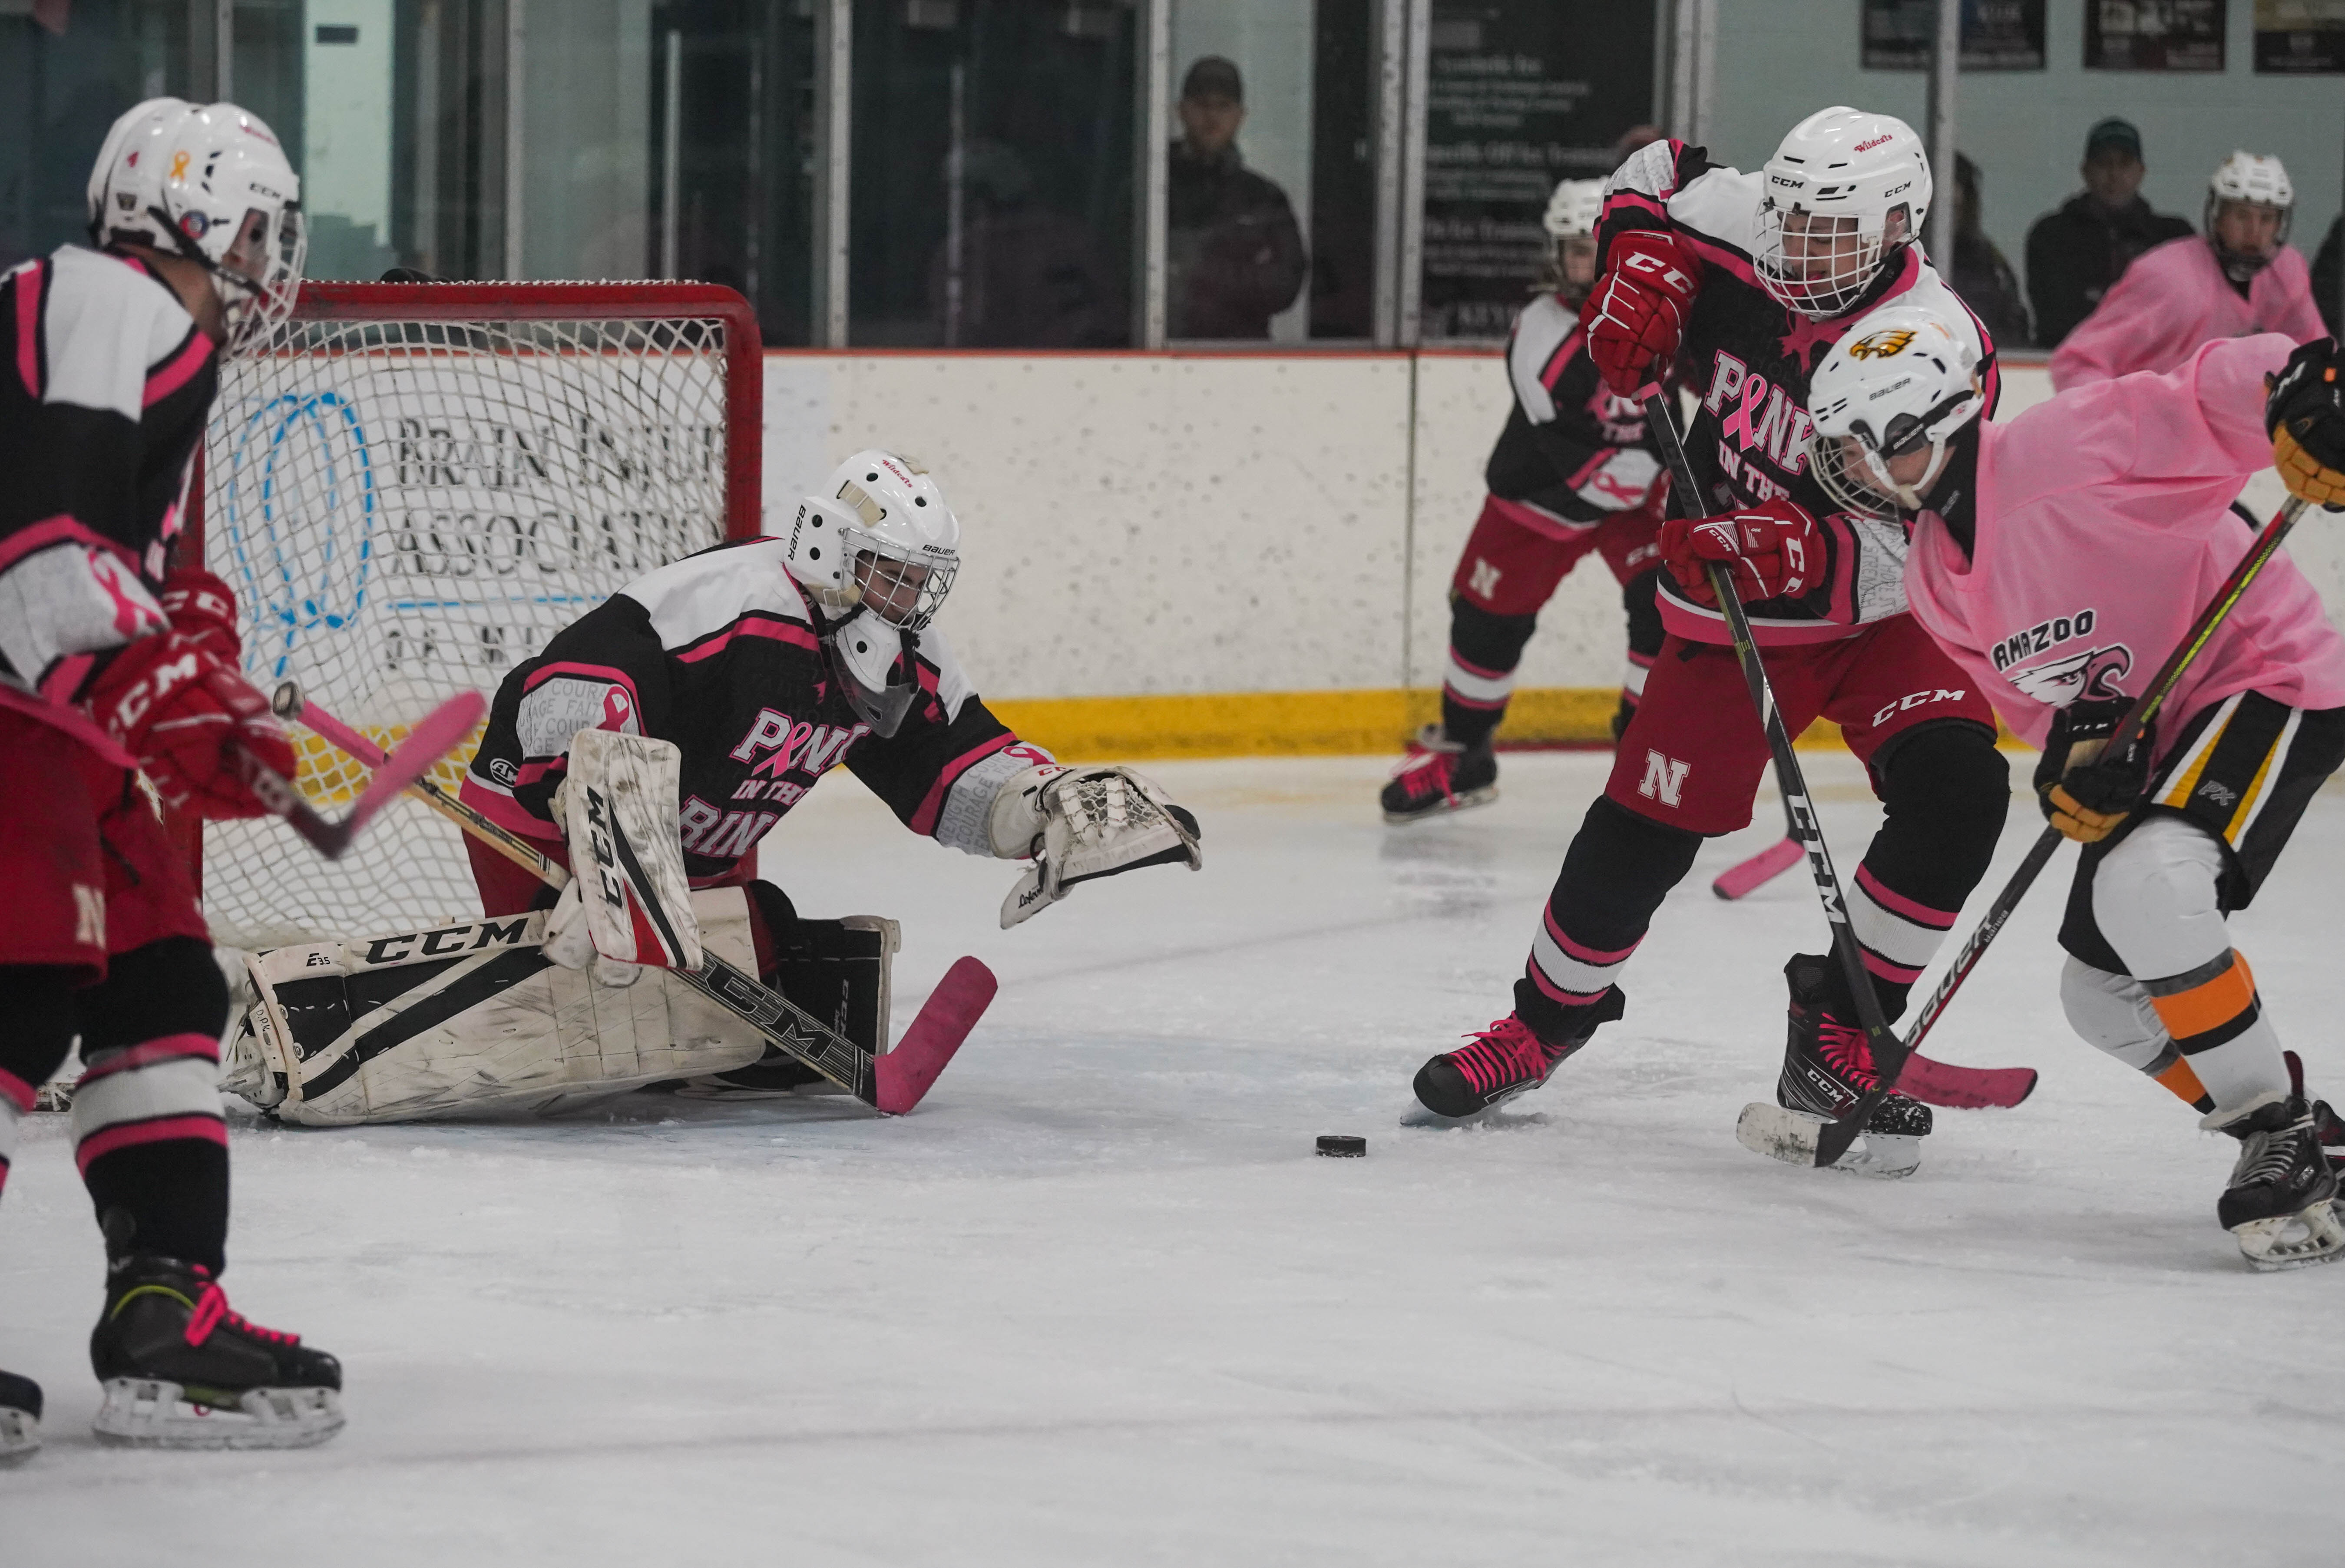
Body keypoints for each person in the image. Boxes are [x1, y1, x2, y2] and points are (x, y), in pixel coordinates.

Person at [219, 450, 1204, 1125]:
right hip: (547, 821)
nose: (908, 601)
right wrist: (611, 852)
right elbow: (558, 689)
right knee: (562, 997)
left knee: (755, 948)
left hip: (693, 864)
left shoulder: (897, 656)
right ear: (830, 545)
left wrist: (1043, 807)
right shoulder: (731, 602)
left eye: (919, 581)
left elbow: (948, 765)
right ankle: (272, 1003)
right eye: (892, 575)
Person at [1406, 108, 2011, 1176]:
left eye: (1827, 230)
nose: (1794, 245)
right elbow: (1649, 169)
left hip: (1885, 614)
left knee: (1960, 791)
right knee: (1642, 827)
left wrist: (1799, 548)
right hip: (1730, 616)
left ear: (1895, 227)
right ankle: (1544, 1022)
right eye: (1788, 217)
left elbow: (1930, 519)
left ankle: (1834, 1028)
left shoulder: (1937, 341)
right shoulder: (1745, 223)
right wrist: (1637, 254)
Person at [1800, 301, 2345, 1268]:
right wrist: (2073, 752)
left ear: (1927, 424)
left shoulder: (2063, 445)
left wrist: (2300, 393)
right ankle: (2308, 1133)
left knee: (2145, 887)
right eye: (1841, 450)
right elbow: (2039, 703)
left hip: (2262, 672)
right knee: (2098, 996)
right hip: (2165, 729)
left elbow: (2206, 395)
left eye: (1862, 443)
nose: (1853, 468)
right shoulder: (1932, 576)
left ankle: (2278, 1133)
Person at [0, 97, 343, 1462]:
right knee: (18, 995)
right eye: (252, 228)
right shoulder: (108, 301)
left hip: (48, 711)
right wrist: (149, 679)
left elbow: (121, 564)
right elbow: (44, 553)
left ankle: (164, 1312)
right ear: (184, 212)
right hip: (19, 708)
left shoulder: (135, 328)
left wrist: (198, 671)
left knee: (159, 978)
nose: (267, 259)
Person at [1381, 178, 1668, 823]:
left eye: (1605, 250)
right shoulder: (1541, 335)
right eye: (1578, 251)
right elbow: (1575, 456)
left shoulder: (1671, 311)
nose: (1592, 266)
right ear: (1556, 256)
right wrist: (1655, 478)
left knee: (1666, 606)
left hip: (1637, 495)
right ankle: (1466, 755)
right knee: (1483, 620)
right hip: (1545, 494)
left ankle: (1644, 757)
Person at [2052, 153, 2326, 390]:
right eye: (2242, 216)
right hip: (2152, 421)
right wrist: (2112, 421)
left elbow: (2318, 359)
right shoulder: (2169, 278)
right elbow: (2078, 362)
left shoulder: (2286, 272)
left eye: (2266, 219)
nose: (2254, 232)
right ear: (2218, 216)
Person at [1167, 56, 1308, 339]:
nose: (1212, 117)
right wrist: (1243, 276)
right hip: (1165, 348)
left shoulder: (1264, 197)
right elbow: (1124, 280)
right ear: (1181, 111)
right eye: (1202, 105)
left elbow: (1284, 286)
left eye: (1223, 106)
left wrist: (1193, 268)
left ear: (1240, 116)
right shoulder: (1151, 191)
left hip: (1243, 355)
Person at [2025, 118, 2195, 348]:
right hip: (2072, 358)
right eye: (2103, 163)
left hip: (2153, 360)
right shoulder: (2052, 235)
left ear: (2141, 172)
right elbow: (2056, 319)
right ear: (2086, 171)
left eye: (2124, 164)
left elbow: (2184, 316)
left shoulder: (2173, 238)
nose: (2114, 174)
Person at [1946, 153, 2030, 347]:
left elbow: (2015, 331)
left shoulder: (1990, 261)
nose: (1949, 216)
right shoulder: (1898, 257)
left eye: (1958, 208)